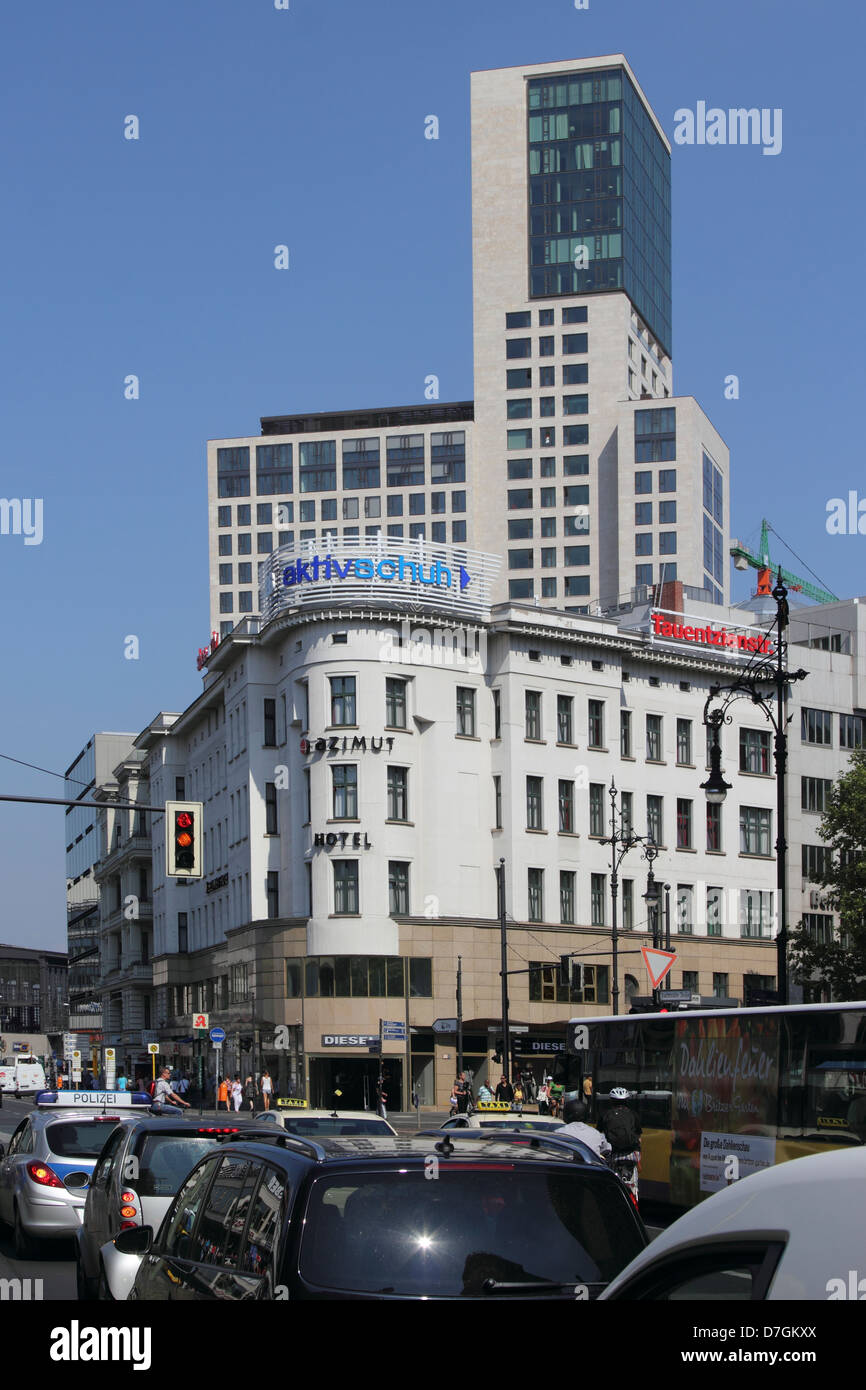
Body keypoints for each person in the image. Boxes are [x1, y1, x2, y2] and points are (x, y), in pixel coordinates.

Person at [599, 1086, 642, 1201]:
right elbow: (639, 1134)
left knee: (612, 1181)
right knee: (632, 1178)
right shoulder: (633, 1114)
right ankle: (634, 1193)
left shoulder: (605, 1115)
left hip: (614, 1155)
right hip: (631, 1155)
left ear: (611, 1101)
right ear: (626, 1100)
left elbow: (600, 1134)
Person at [558, 1097, 611, 1161]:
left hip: (564, 1168)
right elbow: (607, 1149)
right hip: (591, 1169)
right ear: (586, 1116)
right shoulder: (596, 1133)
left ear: (566, 1115)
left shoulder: (558, 1133)